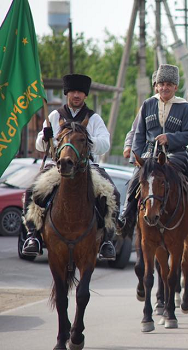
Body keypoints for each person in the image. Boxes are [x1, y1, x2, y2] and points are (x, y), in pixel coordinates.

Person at [22, 74, 118, 259]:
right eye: (73, 91)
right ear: (67, 93)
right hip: (59, 167)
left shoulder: (94, 118)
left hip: (87, 167)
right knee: (31, 191)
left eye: (80, 92)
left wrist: (90, 141)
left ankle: (106, 239)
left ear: (85, 95)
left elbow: (105, 143)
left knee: (113, 193)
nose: (76, 95)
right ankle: (32, 236)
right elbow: (39, 146)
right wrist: (45, 136)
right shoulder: (55, 115)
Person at [118, 64, 188, 237]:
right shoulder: (148, 104)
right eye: (161, 84)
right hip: (149, 155)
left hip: (176, 155)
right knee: (134, 182)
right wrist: (136, 160)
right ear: (157, 86)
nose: (165, 87)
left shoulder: (184, 107)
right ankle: (125, 218)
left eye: (169, 84)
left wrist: (170, 138)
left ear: (175, 87)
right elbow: (139, 134)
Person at [123, 70, 158, 160]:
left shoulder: (179, 105)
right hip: (148, 153)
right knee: (137, 174)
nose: (160, 88)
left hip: (172, 154)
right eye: (156, 85)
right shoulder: (147, 105)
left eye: (165, 84)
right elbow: (135, 129)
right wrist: (129, 145)